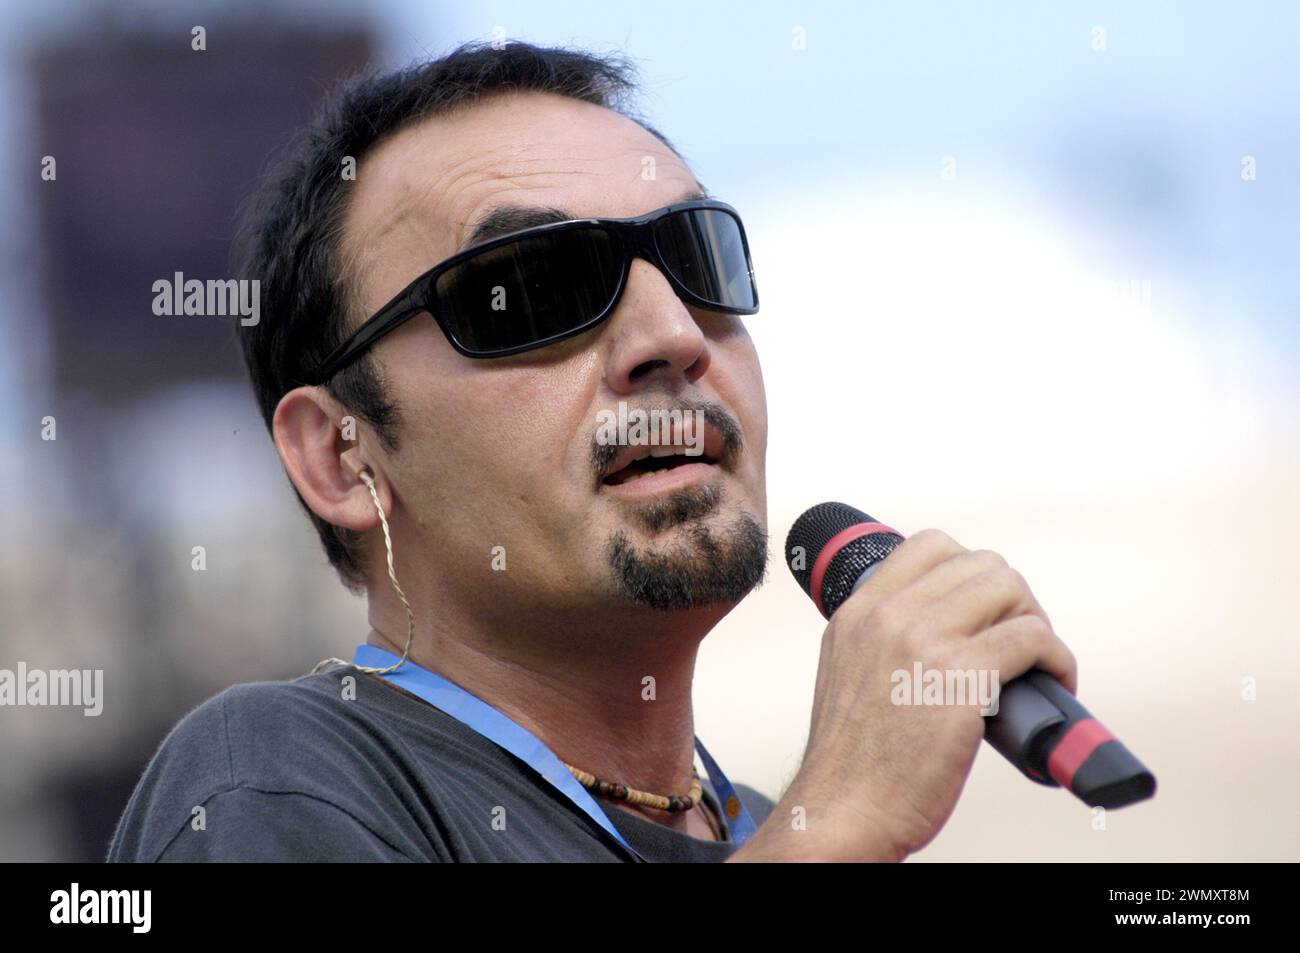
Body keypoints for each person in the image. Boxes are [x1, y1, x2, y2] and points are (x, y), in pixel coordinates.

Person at [108, 40, 1076, 863]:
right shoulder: (269, 777)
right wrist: (838, 826)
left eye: (698, 261)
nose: (673, 334)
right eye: (530, 288)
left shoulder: (770, 823)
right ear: (339, 454)